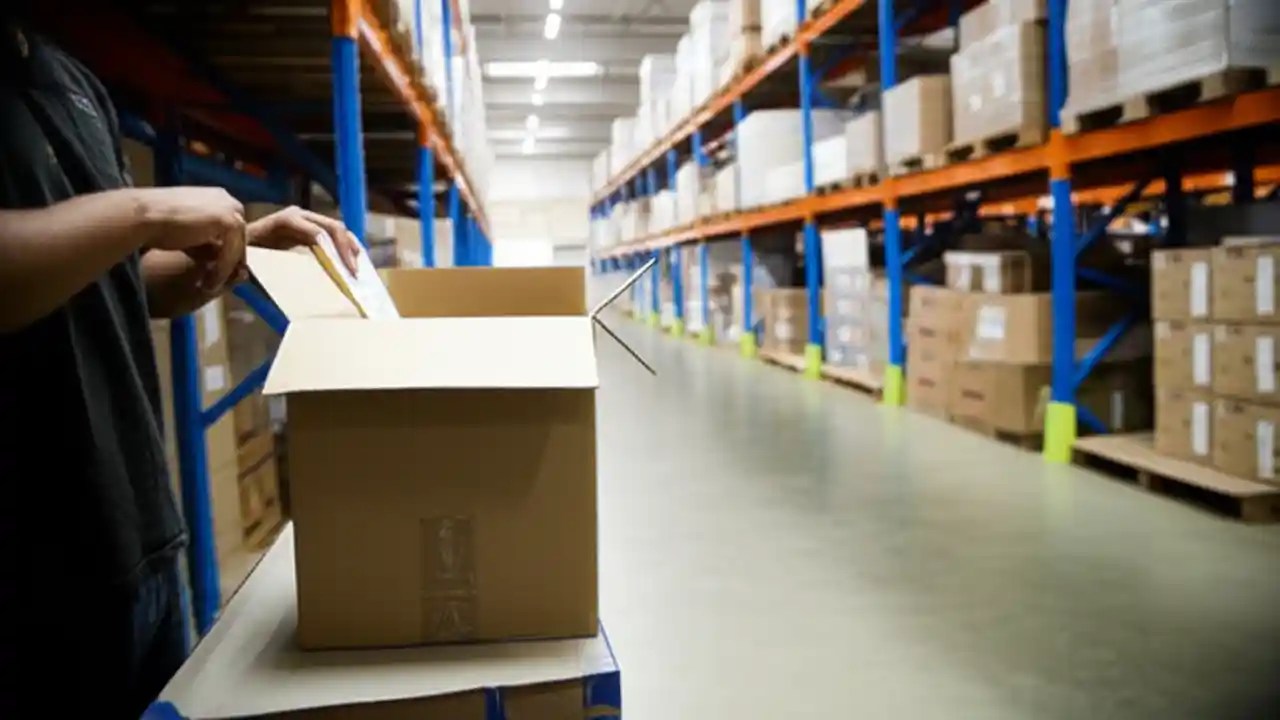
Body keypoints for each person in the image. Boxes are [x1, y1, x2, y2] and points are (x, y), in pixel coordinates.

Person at [0, 19, 362, 719]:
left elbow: (122, 281)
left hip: (142, 535)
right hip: (35, 575)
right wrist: (145, 210)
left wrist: (245, 247)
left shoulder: (71, 83)